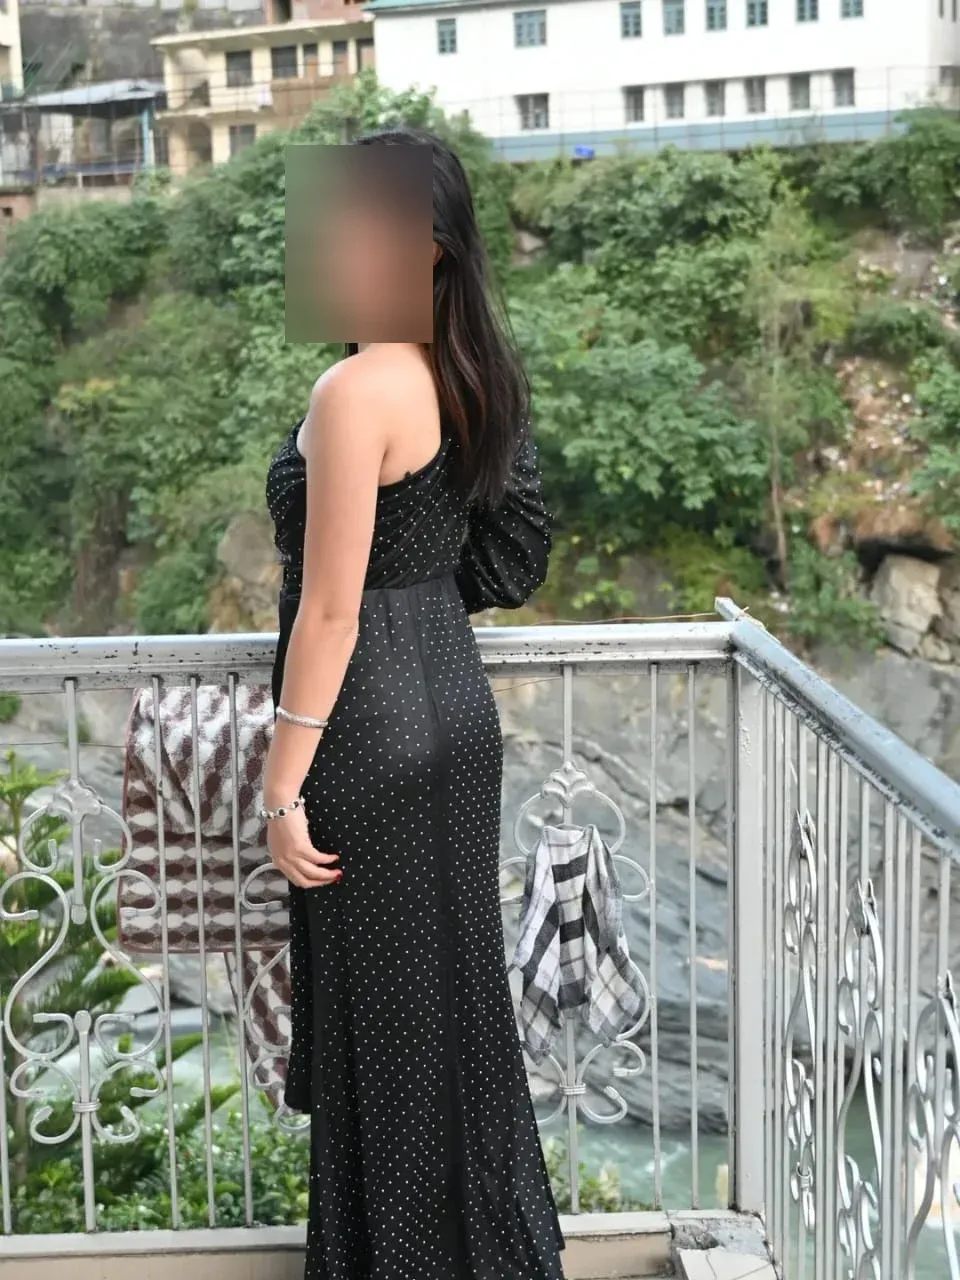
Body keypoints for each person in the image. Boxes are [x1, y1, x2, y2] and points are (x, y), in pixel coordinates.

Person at [262, 126, 566, 1280]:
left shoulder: (355, 387)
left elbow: (330, 609)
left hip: (370, 729)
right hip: (452, 708)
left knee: (383, 1031)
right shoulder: (459, 371)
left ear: (426, 248)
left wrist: (279, 784)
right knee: (454, 1015)